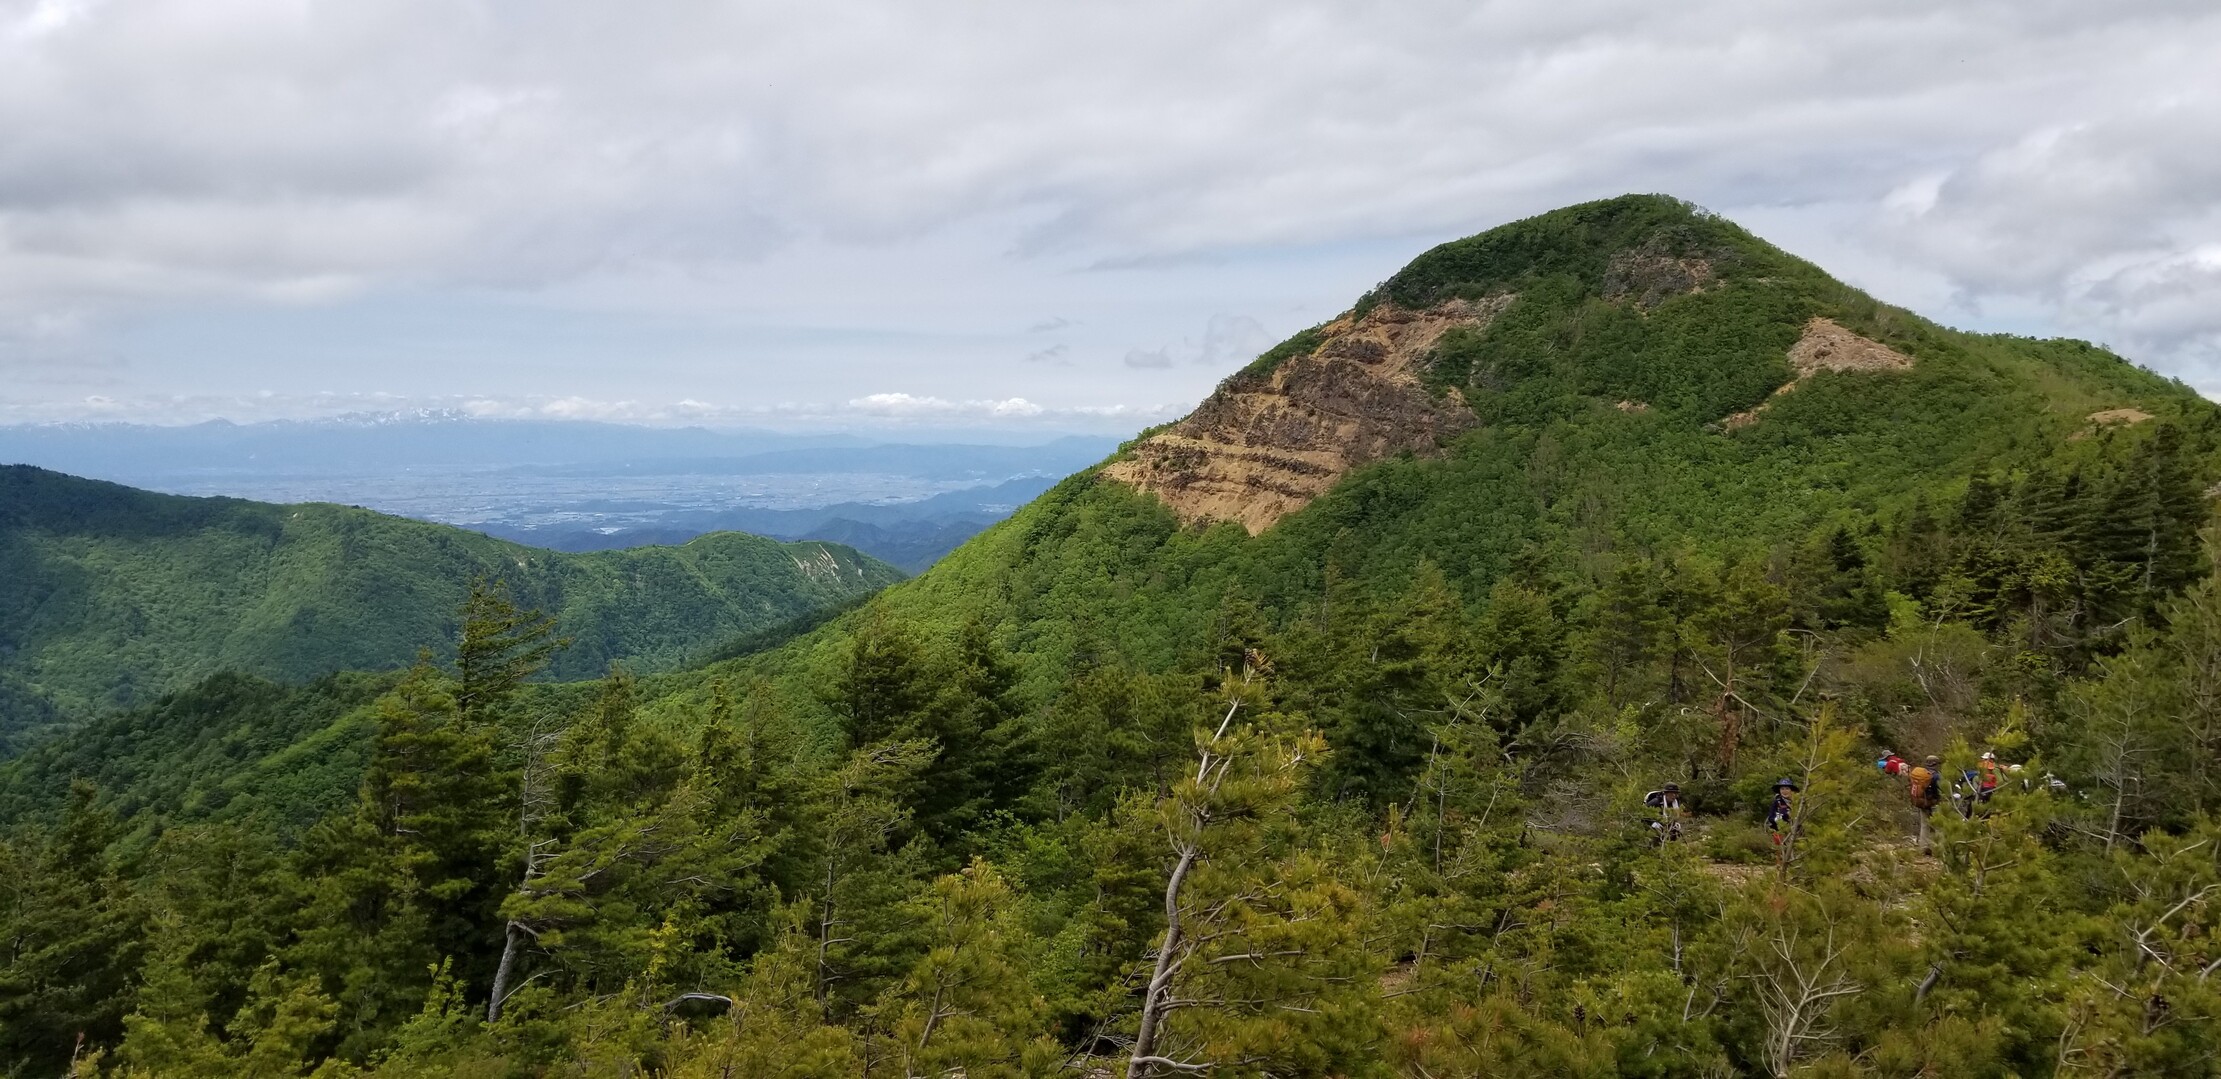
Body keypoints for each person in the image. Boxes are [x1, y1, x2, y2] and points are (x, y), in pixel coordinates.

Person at [1766, 778, 1798, 847]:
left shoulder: (1797, 802)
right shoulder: (1777, 802)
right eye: (1782, 789)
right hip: (1780, 832)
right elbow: (1771, 818)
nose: (1784, 791)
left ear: (1791, 790)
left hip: (1796, 832)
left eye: (1787, 788)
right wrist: (1783, 817)